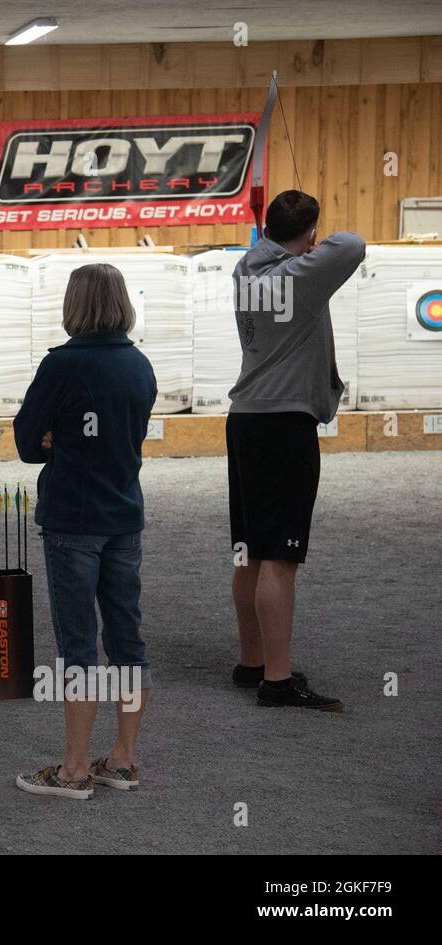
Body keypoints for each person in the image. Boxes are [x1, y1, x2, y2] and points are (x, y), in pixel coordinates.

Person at [13, 263, 157, 800]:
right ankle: (122, 759)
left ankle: (73, 770)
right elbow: (128, 435)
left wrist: (58, 437)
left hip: (73, 518)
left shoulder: (61, 365)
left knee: (78, 645)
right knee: (127, 639)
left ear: (74, 305)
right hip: (124, 516)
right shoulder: (139, 364)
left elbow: (28, 442)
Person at [227, 190, 364, 711]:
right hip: (284, 426)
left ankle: (252, 662)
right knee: (281, 557)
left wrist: (293, 245)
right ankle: (278, 682)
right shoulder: (301, 278)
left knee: (250, 551)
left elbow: (280, 249)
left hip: (245, 422)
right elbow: (352, 245)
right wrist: (312, 248)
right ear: (308, 234)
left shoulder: (247, 270)